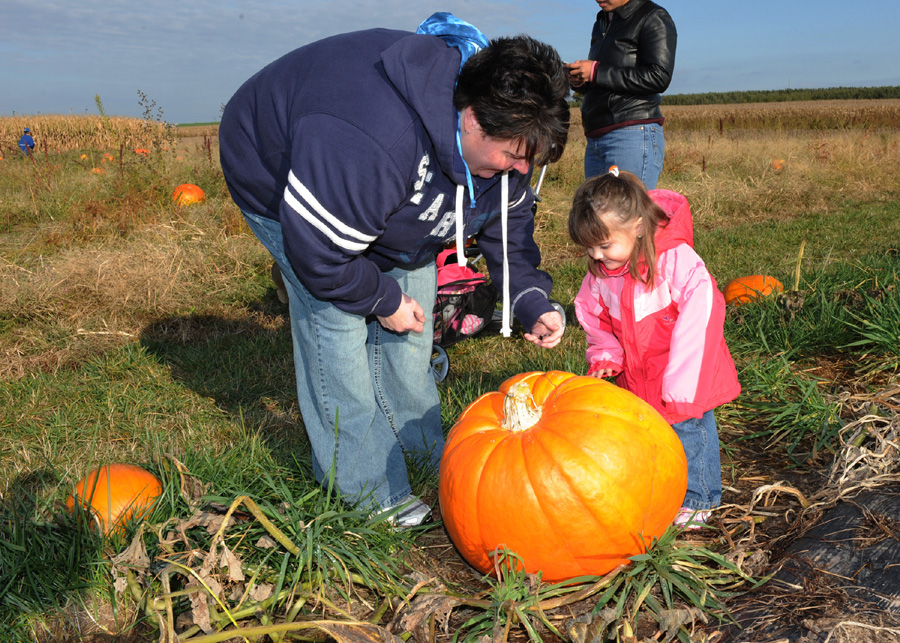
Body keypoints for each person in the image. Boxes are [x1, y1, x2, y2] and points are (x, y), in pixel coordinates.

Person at [219, 13, 570, 527]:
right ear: (471, 118)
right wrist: (381, 301)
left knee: (417, 316)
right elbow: (322, 256)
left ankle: (421, 447)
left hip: (384, 191)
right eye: (513, 156)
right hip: (279, 172)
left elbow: (508, 228)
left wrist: (530, 301)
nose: (520, 171)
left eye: (530, 163)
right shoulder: (372, 135)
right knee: (334, 322)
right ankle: (366, 487)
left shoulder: (506, 148)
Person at [569, 167, 740, 529]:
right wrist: (605, 356)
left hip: (682, 371)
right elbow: (594, 318)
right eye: (589, 248)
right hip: (636, 375)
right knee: (647, 434)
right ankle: (663, 489)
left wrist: (684, 381)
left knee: (690, 431)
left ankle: (701, 496)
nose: (596, 256)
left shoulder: (676, 262)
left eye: (604, 245)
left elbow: (703, 311)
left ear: (639, 228)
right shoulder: (602, 275)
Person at [565, 0, 676, 189]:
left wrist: (595, 71)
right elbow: (604, 78)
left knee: (629, 215)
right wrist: (582, 80)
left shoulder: (653, 16)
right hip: (596, 136)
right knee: (597, 215)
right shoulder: (602, 21)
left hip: (631, 134)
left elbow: (659, 77)